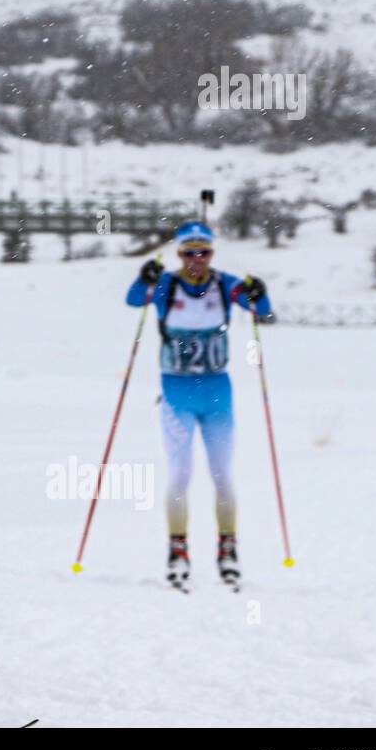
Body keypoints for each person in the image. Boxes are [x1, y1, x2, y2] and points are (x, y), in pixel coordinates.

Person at [125, 220, 272, 592]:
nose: (196, 259)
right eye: (189, 253)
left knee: (222, 473)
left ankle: (228, 550)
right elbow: (132, 299)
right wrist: (144, 277)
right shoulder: (166, 286)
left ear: (212, 253)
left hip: (217, 393)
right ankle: (177, 552)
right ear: (179, 254)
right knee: (180, 473)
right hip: (176, 394)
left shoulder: (224, 285)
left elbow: (263, 310)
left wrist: (260, 291)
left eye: (203, 252)